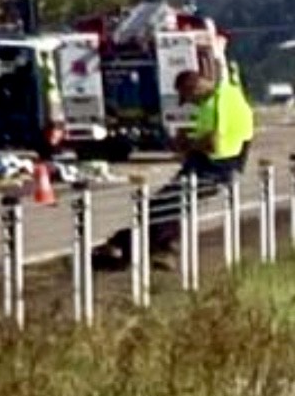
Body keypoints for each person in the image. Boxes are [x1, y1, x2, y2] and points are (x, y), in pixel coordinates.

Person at [92, 67, 252, 270]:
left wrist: (187, 142)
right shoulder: (217, 99)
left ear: (194, 87)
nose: (190, 104)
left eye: (188, 98)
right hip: (206, 165)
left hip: (216, 168)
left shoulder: (222, 102)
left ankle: (133, 247)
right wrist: (189, 139)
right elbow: (207, 136)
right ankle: (148, 247)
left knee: (165, 207)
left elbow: (214, 143)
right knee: (165, 206)